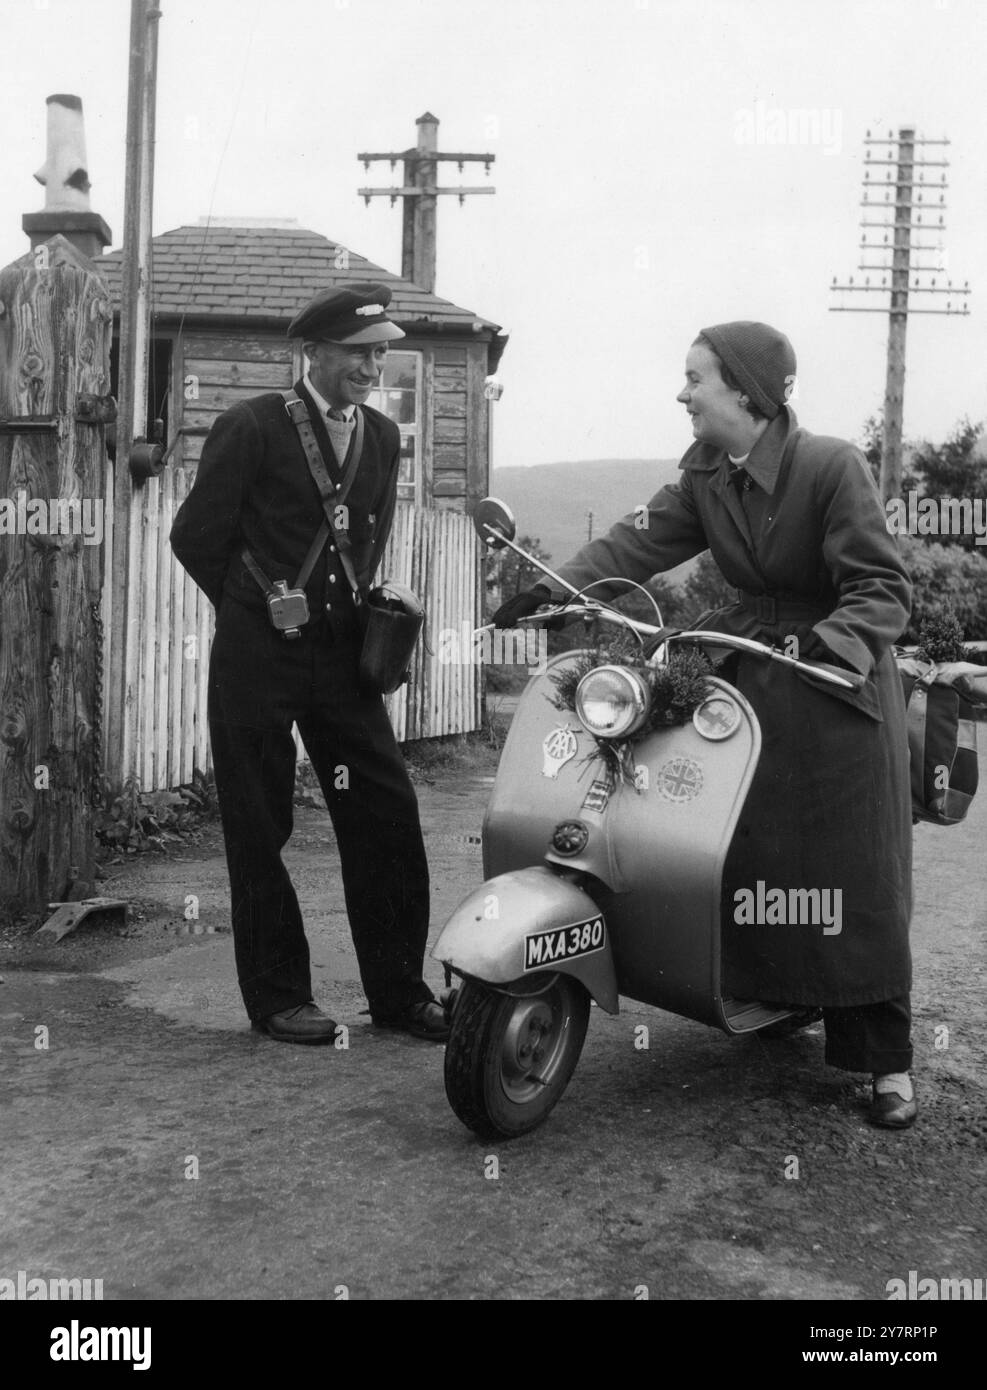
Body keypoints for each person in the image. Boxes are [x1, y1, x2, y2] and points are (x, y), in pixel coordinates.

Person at [494, 321, 917, 1128]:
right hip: (749, 670)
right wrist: (555, 588)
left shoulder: (831, 466)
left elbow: (881, 586)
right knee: (744, 839)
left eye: (695, 377)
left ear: (745, 390)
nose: (682, 392)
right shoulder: (704, 475)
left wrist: (831, 648)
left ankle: (887, 1065)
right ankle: (772, 993)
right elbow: (635, 543)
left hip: (833, 685)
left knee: (849, 868)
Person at [170, 283, 449, 1044]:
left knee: (385, 814)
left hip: (344, 660)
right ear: (313, 353)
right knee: (260, 825)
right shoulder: (252, 425)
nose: (372, 367)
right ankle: (279, 999)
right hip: (257, 661)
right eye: (358, 353)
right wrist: (259, 608)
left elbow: (369, 539)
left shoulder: (384, 438)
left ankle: (398, 993)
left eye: (380, 353)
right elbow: (196, 536)